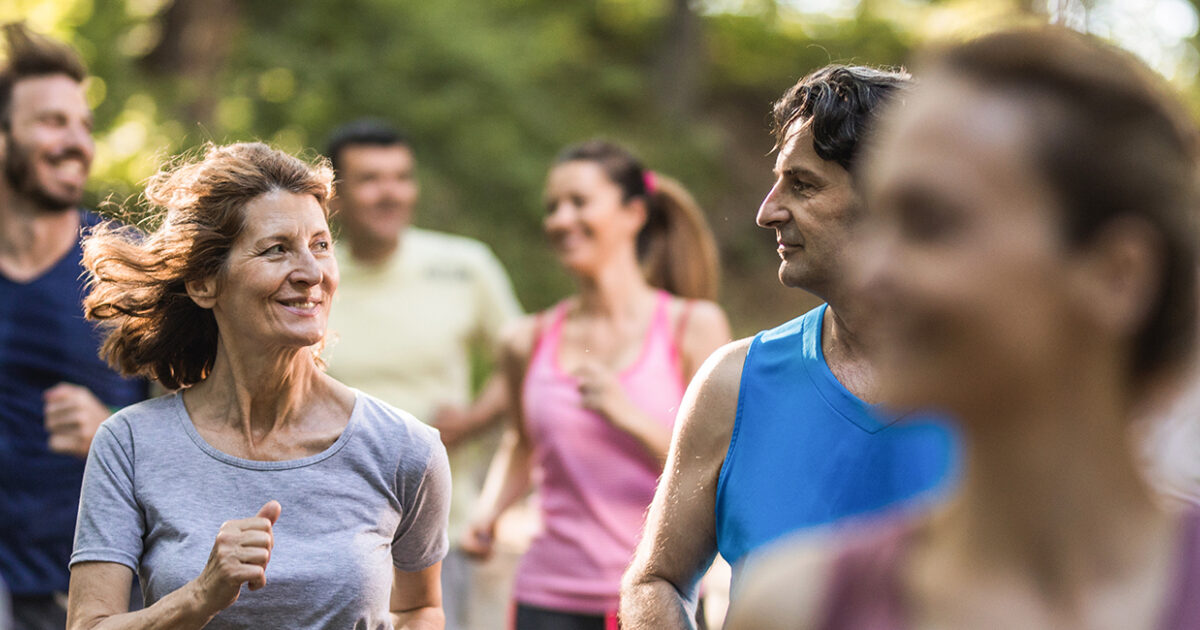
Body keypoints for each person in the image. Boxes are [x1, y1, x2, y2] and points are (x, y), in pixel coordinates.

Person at [727, 27, 1200, 630]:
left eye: (929, 224)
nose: (872, 271)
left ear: (1117, 276)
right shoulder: (795, 609)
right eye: (881, 221)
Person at [620, 66, 959, 628]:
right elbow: (657, 578)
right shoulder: (735, 382)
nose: (766, 211)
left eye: (801, 185)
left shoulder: (1012, 393)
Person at [66, 142, 451, 629]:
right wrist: (200, 596)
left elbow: (419, 608)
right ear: (205, 283)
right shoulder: (130, 446)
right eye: (276, 250)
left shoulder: (405, 450)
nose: (312, 274)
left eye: (320, 245)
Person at [460, 140, 730, 628]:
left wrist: (627, 416)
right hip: (548, 598)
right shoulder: (527, 340)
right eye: (553, 207)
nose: (560, 220)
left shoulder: (693, 328)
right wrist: (488, 513)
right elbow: (522, 444)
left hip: (661, 596)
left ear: (633, 213)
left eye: (579, 202)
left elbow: (718, 469)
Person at [322, 120, 523, 630]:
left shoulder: (463, 265)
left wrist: (476, 418)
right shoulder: (312, 276)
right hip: (327, 529)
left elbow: (523, 357)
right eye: (370, 179)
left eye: (401, 177)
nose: (390, 193)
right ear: (334, 198)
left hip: (436, 529)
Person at [0, 23, 148, 630]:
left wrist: (112, 436)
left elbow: (217, 430)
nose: (77, 142)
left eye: (84, 126)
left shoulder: (127, 268)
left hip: (91, 589)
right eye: (53, 122)